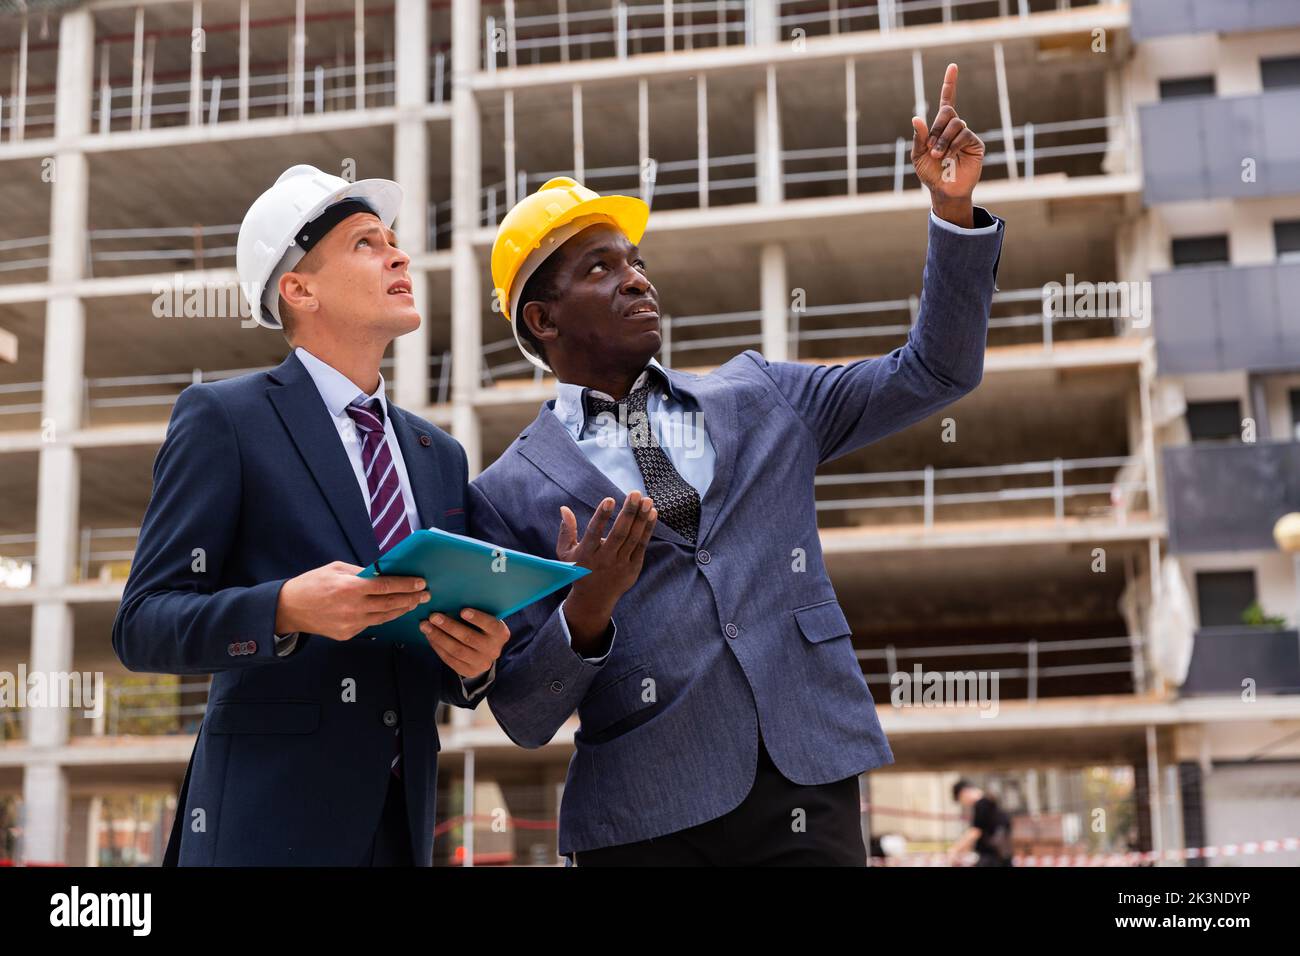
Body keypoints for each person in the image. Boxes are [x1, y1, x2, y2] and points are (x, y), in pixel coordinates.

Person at [466, 64, 1007, 865]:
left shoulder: (762, 396)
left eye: (635, 261)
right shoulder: (505, 494)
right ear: (542, 320)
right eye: (600, 269)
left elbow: (935, 371)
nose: (636, 280)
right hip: (646, 816)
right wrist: (587, 611)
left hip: (806, 776)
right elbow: (521, 708)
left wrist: (952, 211)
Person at [112, 164, 521, 865]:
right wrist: (285, 609)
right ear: (298, 289)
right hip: (265, 829)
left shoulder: (439, 454)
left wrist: (475, 663)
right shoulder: (225, 419)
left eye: (394, 241)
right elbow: (143, 624)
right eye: (367, 242)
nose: (399, 255)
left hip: (402, 828)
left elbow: (436, 652)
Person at [949, 779, 1015, 867]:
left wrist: (955, 850)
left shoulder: (981, 805)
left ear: (963, 793)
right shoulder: (991, 804)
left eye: (961, 800)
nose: (965, 804)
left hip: (992, 858)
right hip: (1002, 857)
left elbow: (975, 832)